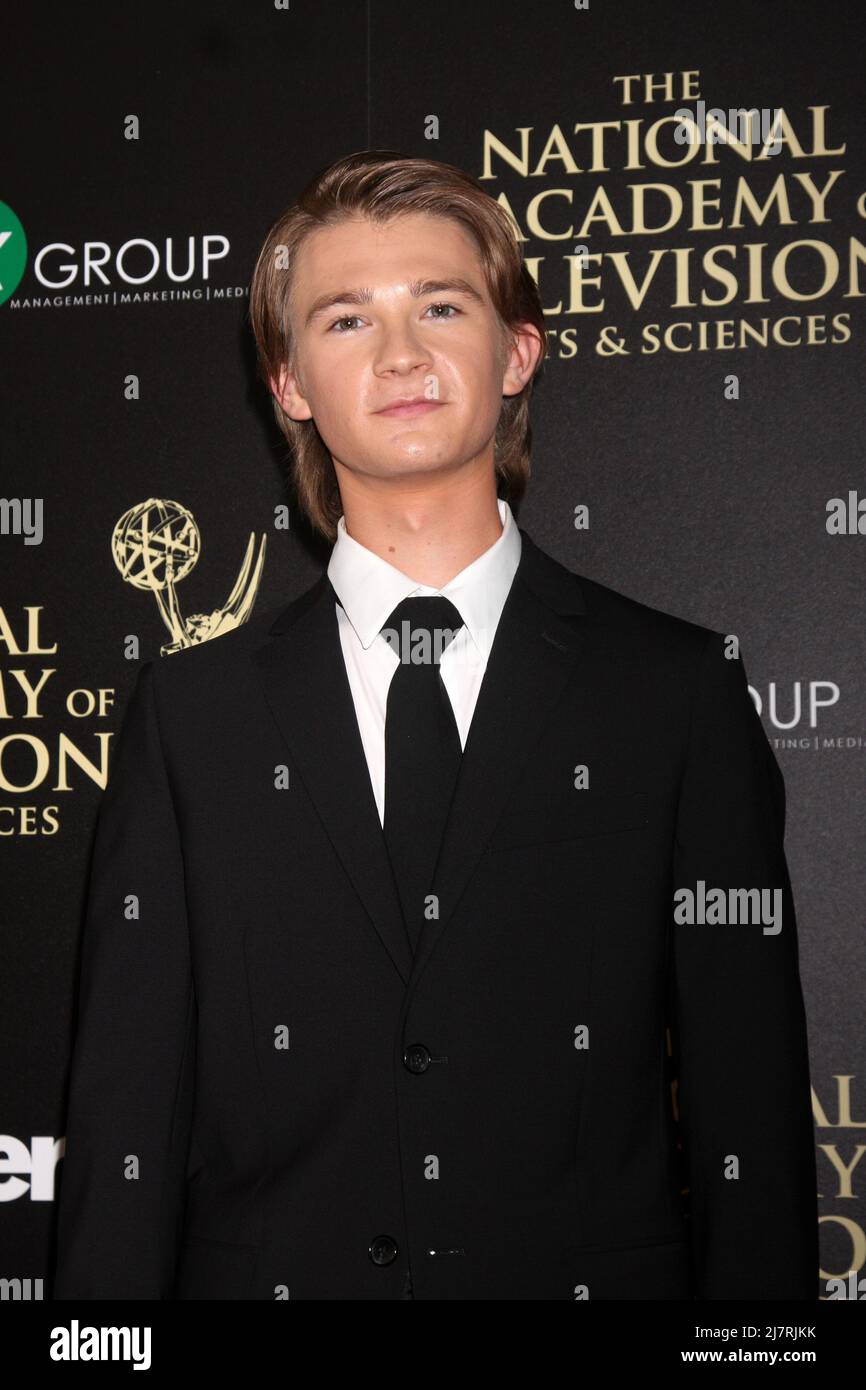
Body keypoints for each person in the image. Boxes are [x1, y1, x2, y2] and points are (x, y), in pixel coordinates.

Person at [53, 151, 817, 1300]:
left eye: (440, 305)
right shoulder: (188, 717)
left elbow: (746, 1110)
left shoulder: (675, 692)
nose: (400, 353)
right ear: (290, 384)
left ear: (517, 350)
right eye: (346, 318)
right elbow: (127, 1119)